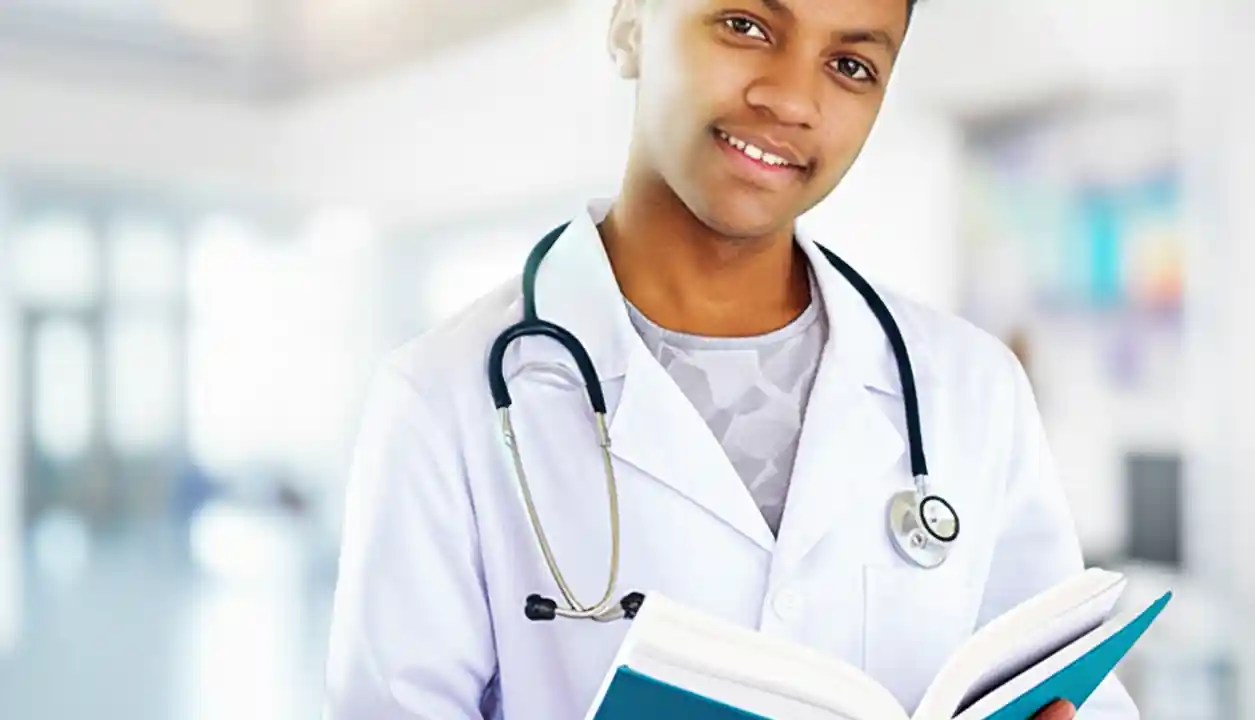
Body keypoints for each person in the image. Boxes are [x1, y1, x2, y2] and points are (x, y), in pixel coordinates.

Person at [323, 1, 1140, 718]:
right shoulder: (443, 399)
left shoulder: (971, 388)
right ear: (629, 24)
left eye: (851, 65)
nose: (789, 97)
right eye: (746, 25)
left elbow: (1070, 690)